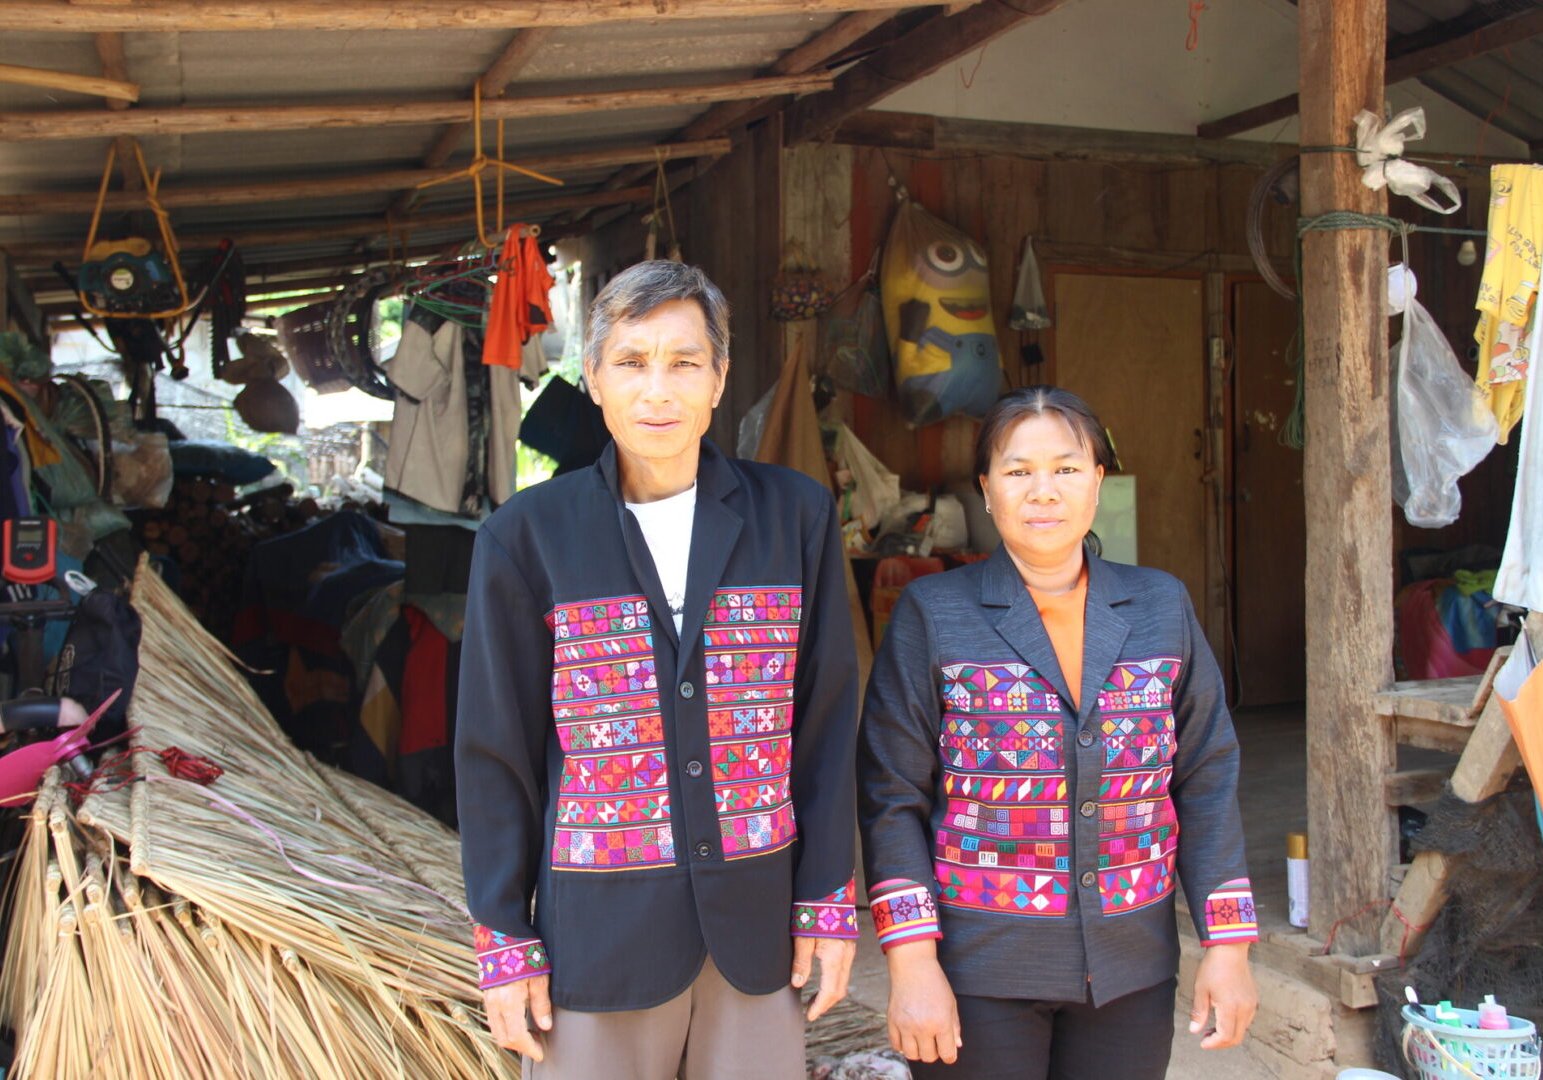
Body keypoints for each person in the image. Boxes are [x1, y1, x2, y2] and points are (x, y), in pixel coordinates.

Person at [455, 260, 860, 1080]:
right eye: (632, 363)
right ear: (595, 381)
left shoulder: (795, 517)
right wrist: (504, 936)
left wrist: (827, 894)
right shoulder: (528, 536)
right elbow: (495, 752)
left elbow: (825, 720)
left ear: (720, 380)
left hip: (757, 928)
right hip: (598, 939)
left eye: (684, 362)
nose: (658, 390)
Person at [857, 385, 1258, 1079]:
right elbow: (892, 793)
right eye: (1017, 471)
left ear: (1098, 481)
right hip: (979, 972)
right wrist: (912, 961)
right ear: (986, 489)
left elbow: (1207, 775)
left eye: (1067, 468)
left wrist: (1229, 948)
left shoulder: (1160, 605)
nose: (1043, 490)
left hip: (1131, 967)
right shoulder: (935, 614)